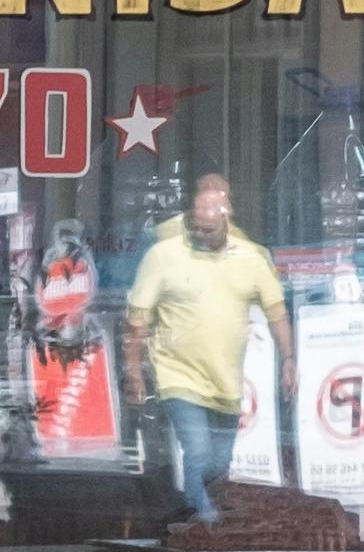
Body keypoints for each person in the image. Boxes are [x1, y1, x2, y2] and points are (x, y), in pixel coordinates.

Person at [121, 166, 290, 520]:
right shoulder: (163, 254)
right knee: (197, 451)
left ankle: (203, 517)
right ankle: (206, 522)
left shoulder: (251, 257)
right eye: (195, 226)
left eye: (208, 229)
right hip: (177, 375)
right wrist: (133, 369)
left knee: (220, 461)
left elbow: (276, 313)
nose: (199, 233)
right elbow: (137, 319)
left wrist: (289, 359)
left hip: (225, 380)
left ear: (227, 217)